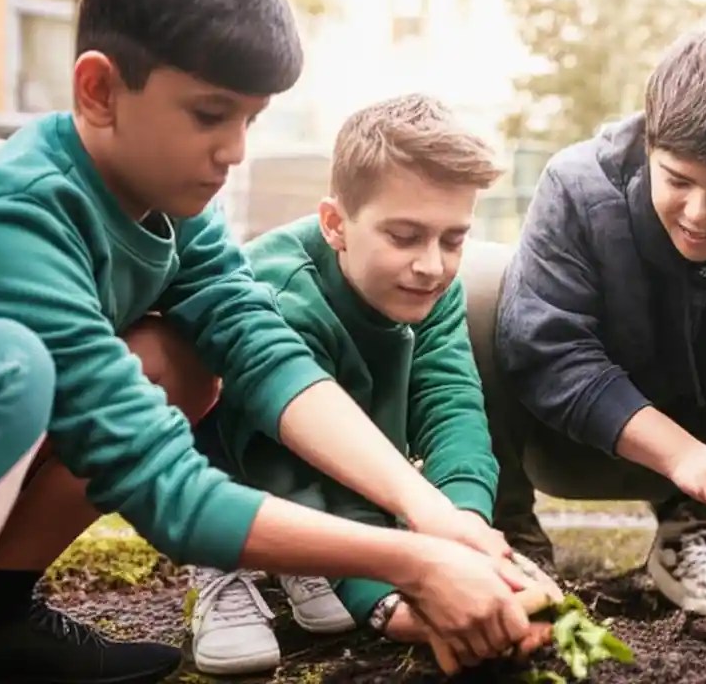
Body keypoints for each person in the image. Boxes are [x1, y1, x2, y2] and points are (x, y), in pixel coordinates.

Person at [0, 0, 547, 682]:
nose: (236, 151)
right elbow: (162, 485)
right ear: (100, 91)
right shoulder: (26, 215)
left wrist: (434, 514)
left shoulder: (170, 207)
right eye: (208, 115)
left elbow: (264, 355)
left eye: (249, 119)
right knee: (17, 368)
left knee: (180, 362)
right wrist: (412, 562)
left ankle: (1, 612)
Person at [488, 30, 706, 618]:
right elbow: (547, 351)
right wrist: (683, 455)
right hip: (571, 440)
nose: (700, 214)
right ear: (649, 144)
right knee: (476, 287)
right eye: (678, 180)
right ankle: (506, 535)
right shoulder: (574, 186)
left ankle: (691, 528)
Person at [190, 93, 535, 674]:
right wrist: (389, 606)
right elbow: (288, 462)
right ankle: (234, 559)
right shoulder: (282, 291)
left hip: (356, 469)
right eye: (404, 237)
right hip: (254, 464)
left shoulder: (433, 287)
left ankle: (325, 551)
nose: (432, 265)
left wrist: (466, 530)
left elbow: (451, 403)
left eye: (453, 239)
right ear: (335, 224)